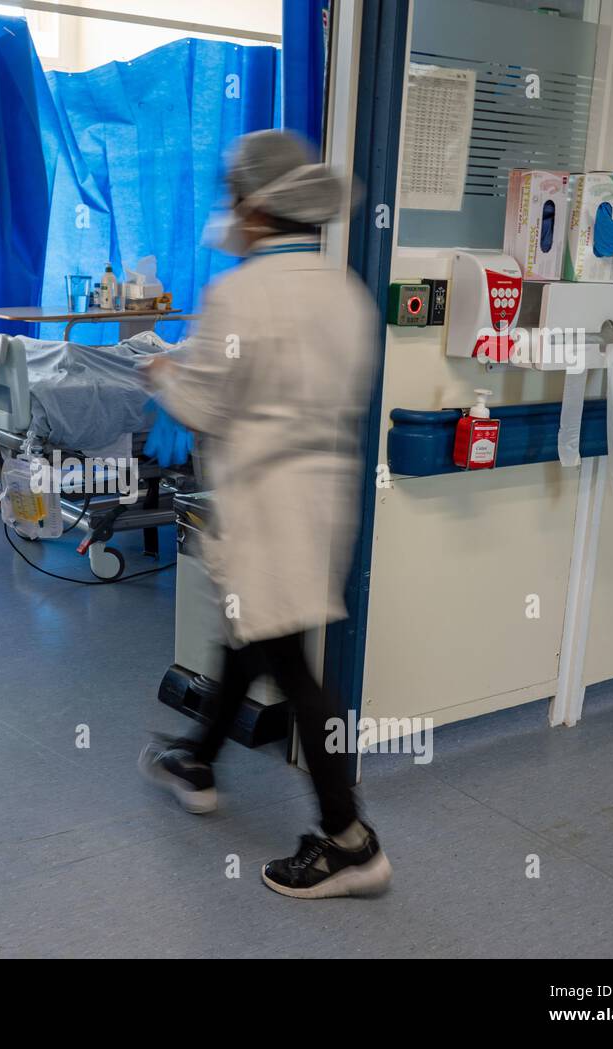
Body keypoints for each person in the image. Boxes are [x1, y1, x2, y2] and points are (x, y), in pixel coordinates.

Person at [138, 129, 388, 900]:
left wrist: (158, 370)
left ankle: (349, 838)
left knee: (285, 660)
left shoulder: (239, 295)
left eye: (234, 198)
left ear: (255, 206)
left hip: (264, 500)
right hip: (324, 495)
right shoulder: (344, 288)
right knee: (250, 631)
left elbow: (207, 403)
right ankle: (198, 757)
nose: (231, 212)